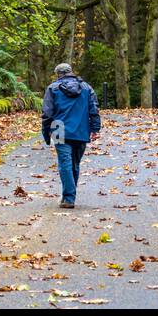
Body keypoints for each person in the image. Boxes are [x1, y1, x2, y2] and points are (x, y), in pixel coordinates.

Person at [40, 62, 101, 208]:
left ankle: (68, 197)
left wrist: (46, 133)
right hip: (81, 129)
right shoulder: (86, 88)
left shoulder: (52, 88)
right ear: (71, 72)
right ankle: (69, 196)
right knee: (74, 163)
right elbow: (94, 109)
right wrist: (95, 129)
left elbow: (47, 114)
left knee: (65, 163)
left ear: (58, 74)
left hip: (59, 128)